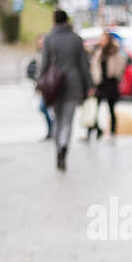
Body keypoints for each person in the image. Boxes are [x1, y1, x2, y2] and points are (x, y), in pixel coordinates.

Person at [37, 10, 92, 171]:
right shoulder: (76, 39)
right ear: (67, 21)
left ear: (54, 21)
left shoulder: (49, 39)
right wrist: (89, 85)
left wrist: (40, 83)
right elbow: (84, 65)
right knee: (68, 120)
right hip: (73, 84)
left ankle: (58, 149)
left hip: (54, 86)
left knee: (58, 120)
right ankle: (63, 146)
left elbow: (44, 64)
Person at [89, 31, 127, 141]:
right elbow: (93, 66)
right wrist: (94, 79)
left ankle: (112, 132)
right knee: (94, 109)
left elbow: (121, 63)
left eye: (104, 39)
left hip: (111, 83)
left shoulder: (114, 51)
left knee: (111, 109)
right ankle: (95, 130)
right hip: (100, 83)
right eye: (101, 39)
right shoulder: (98, 51)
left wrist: (116, 73)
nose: (102, 41)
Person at [25, 35, 53, 141]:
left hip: (49, 85)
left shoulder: (50, 54)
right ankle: (51, 129)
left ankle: (52, 128)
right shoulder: (38, 54)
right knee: (44, 108)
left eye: (42, 42)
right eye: (39, 42)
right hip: (42, 86)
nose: (40, 44)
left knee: (44, 107)